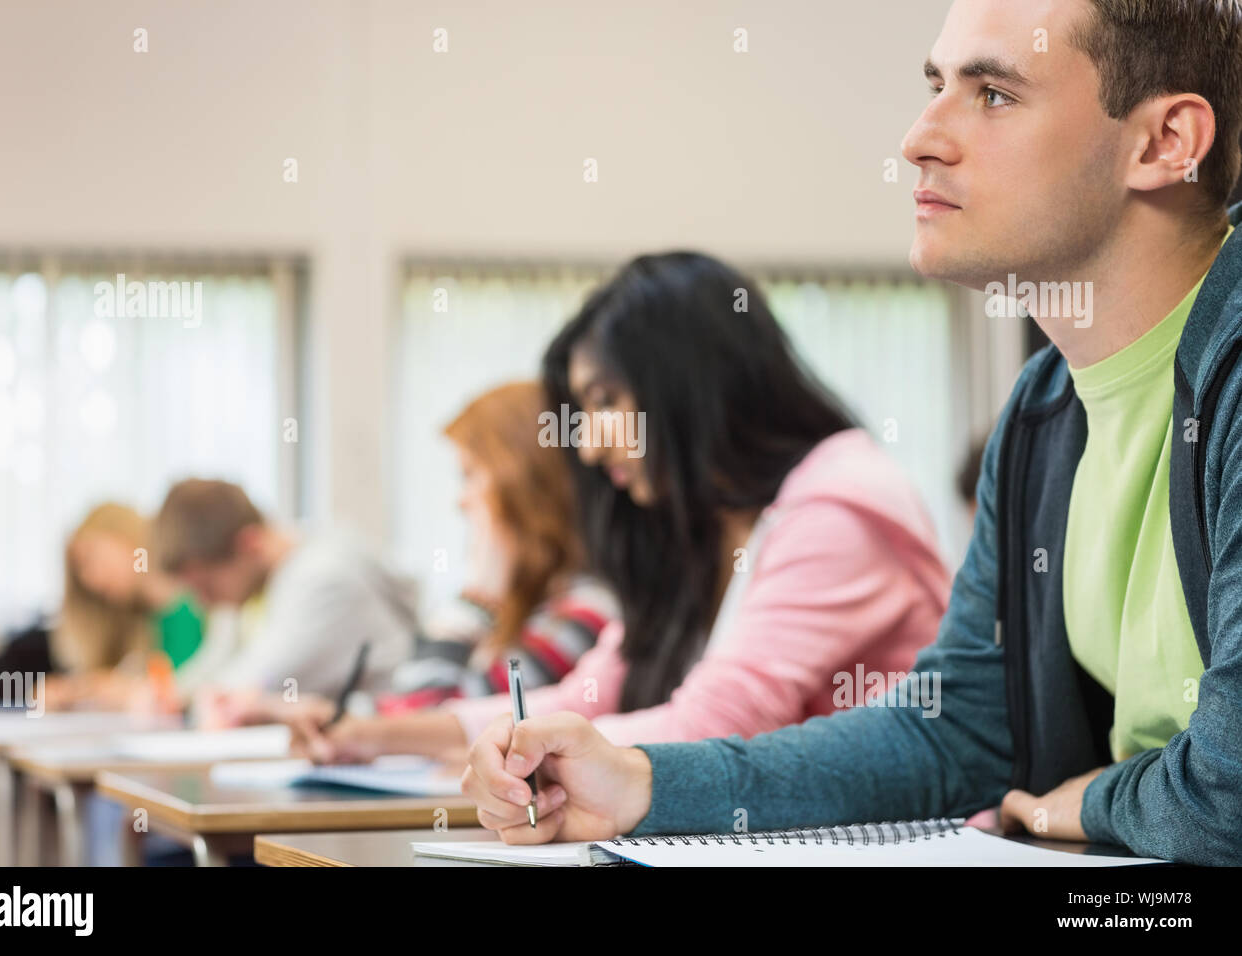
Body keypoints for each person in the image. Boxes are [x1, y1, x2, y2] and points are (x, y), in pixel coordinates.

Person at [460, 0, 1242, 866]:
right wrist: (644, 782)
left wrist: (1096, 796)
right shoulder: (1040, 413)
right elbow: (955, 737)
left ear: (1166, 142)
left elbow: (1233, 784)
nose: (918, 138)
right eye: (935, 85)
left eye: (993, 94)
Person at [291, 251, 951, 764]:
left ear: (689, 380)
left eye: (606, 400)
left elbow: (715, 726)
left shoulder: (836, 505)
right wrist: (378, 734)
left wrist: (528, 750)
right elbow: (586, 696)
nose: (586, 442)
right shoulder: (704, 532)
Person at [228, 382, 619, 743]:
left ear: (522, 483)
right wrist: (332, 716)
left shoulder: (585, 613)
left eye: (470, 476)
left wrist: (477, 594)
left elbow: (430, 709)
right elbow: (414, 709)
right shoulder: (532, 607)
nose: (460, 500)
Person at [151, 479, 415, 706]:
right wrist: (172, 696)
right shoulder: (255, 588)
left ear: (249, 544)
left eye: (207, 587)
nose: (204, 603)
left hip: (393, 743)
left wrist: (187, 701)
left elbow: (248, 687)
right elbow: (213, 669)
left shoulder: (321, 579)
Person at [0, 502, 203, 712]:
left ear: (125, 537)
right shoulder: (135, 621)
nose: (89, 579)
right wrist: (82, 691)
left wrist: (115, 690)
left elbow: (180, 690)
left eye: (91, 558)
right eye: (80, 570)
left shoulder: (192, 605)